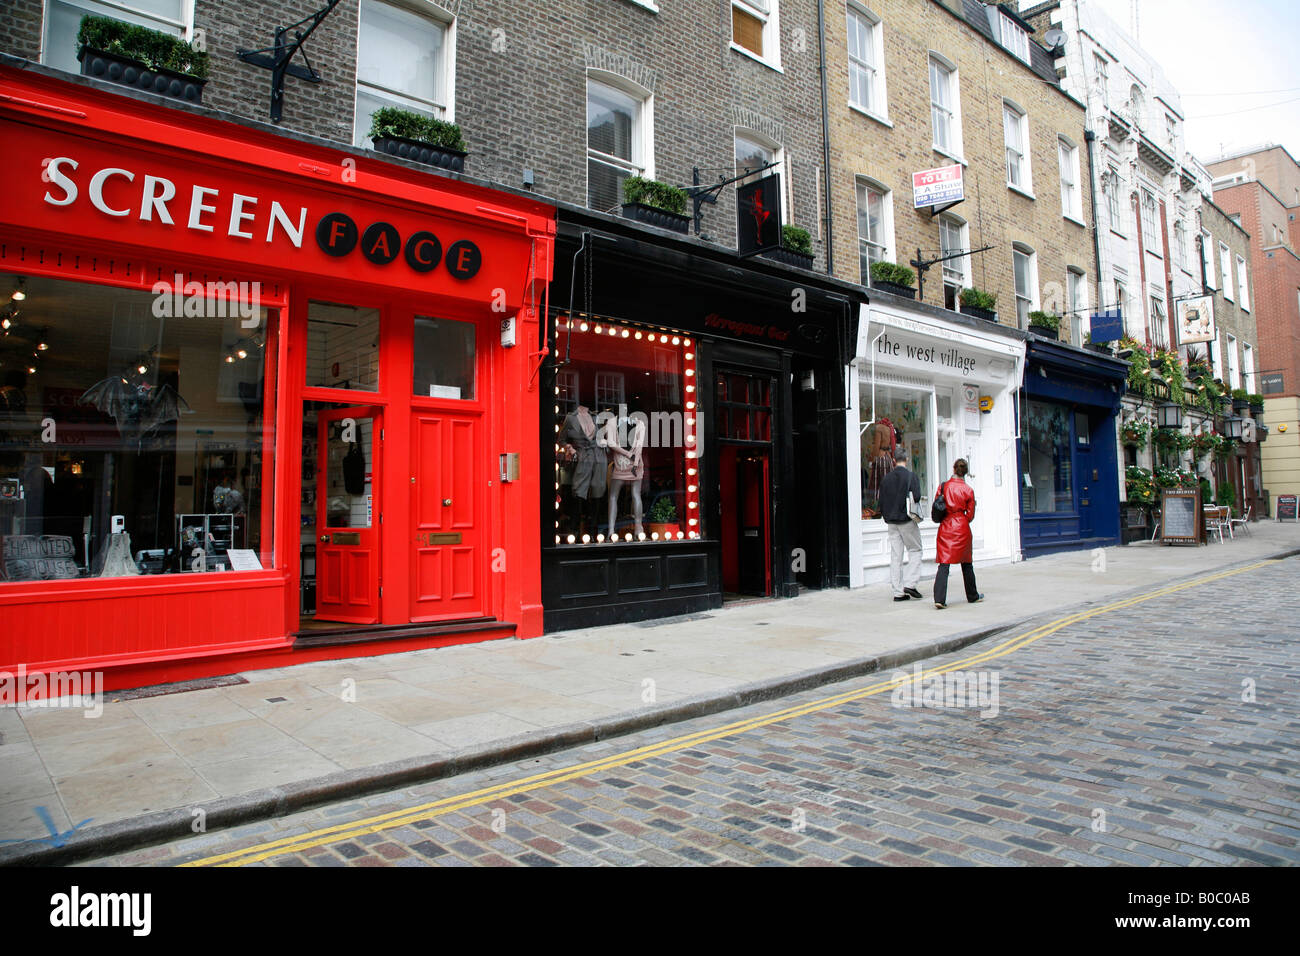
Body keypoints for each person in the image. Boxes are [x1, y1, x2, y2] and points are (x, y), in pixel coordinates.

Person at [933, 458, 983, 609]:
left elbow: (937, 505)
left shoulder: (943, 487)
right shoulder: (968, 490)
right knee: (967, 563)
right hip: (962, 527)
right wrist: (962, 519)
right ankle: (972, 595)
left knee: (944, 564)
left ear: (954, 469)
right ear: (965, 472)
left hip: (946, 527)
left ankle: (939, 599)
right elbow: (971, 514)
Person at [878, 446, 923, 601]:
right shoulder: (911, 476)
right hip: (907, 519)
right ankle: (910, 583)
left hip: (891, 522)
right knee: (915, 550)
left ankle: (898, 592)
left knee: (896, 556)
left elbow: (881, 501)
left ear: (894, 460)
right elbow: (916, 497)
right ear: (907, 459)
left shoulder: (886, 478)